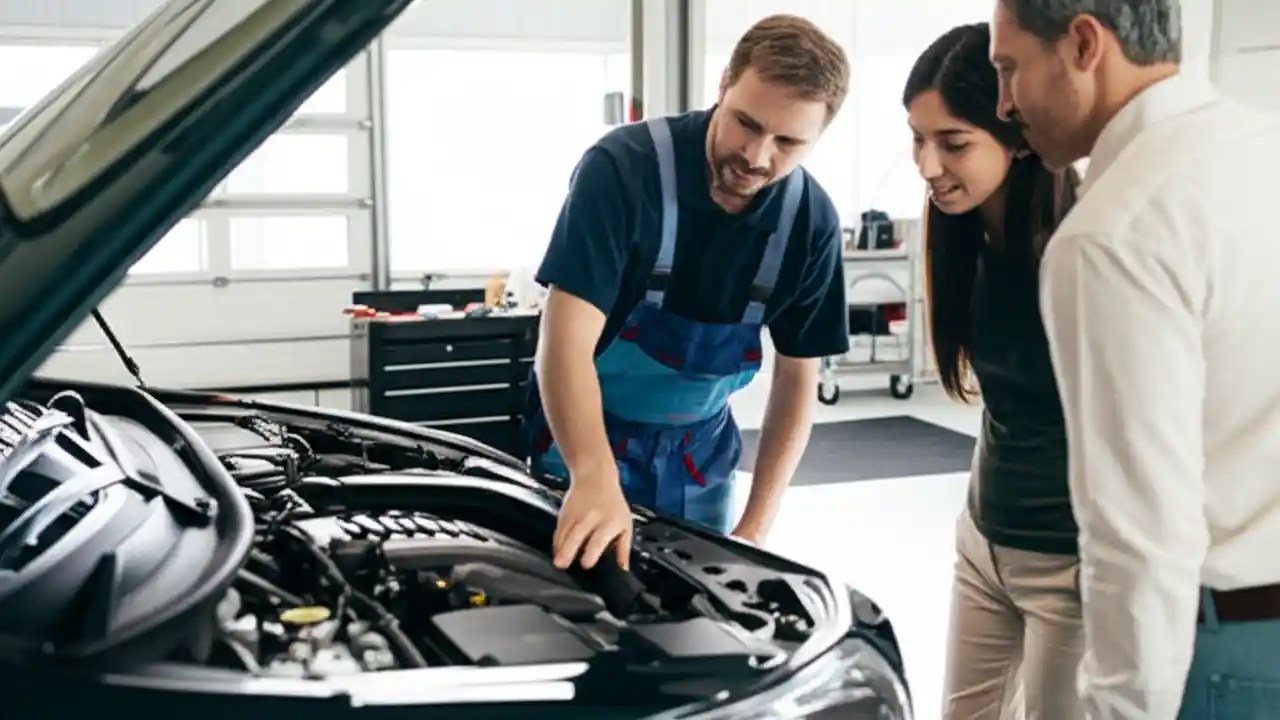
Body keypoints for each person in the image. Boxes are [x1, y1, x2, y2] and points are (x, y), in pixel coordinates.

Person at [990, 1, 1280, 718]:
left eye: (1009, 68)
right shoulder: (1261, 148)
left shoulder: (1114, 231)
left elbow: (1141, 537)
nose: (1004, 104)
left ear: (1084, 44)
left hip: (1226, 655)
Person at [526, 14, 852, 572]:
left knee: (693, 605)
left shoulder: (811, 222)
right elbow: (563, 343)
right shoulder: (622, 171)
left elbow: (797, 379)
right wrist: (592, 476)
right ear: (723, 84)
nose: (756, 156)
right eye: (746, 123)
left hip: (699, 464)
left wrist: (755, 528)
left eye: (788, 142)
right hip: (582, 439)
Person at [903, 22, 1081, 720]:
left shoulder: (1082, 249)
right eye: (918, 139)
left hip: (1069, 564)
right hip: (984, 543)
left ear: (1017, 135)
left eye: (953, 143)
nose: (927, 165)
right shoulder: (966, 238)